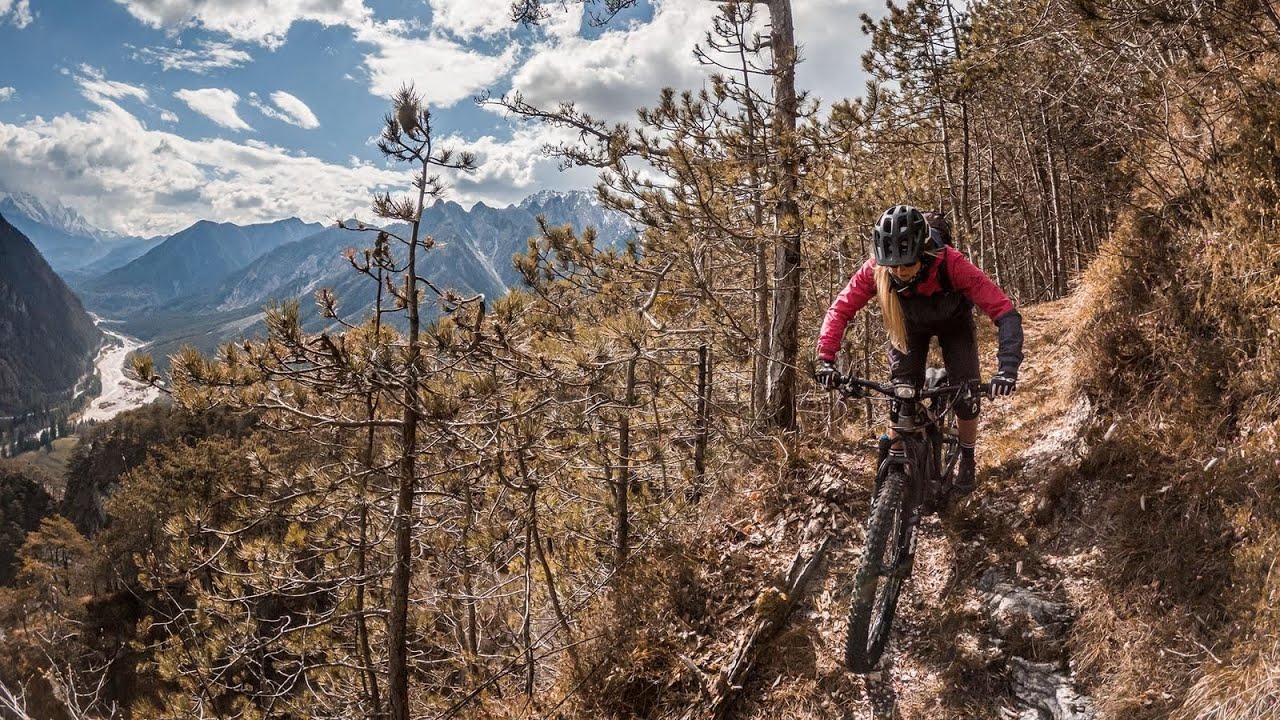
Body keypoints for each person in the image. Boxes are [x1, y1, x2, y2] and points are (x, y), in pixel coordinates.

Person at [813, 204, 1023, 494]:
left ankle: (967, 455)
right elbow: (840, 310)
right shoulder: (876, 268)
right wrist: (826, 358)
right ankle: (894, 483)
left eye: (907, 265)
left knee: (966, 397)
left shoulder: (952, 263)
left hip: (954, 325)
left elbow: (1004, 312)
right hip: (908, 328)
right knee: (901, 399)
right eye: (893, 266)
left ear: (924, 254)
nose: (898, 273)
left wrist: (1007, 369)